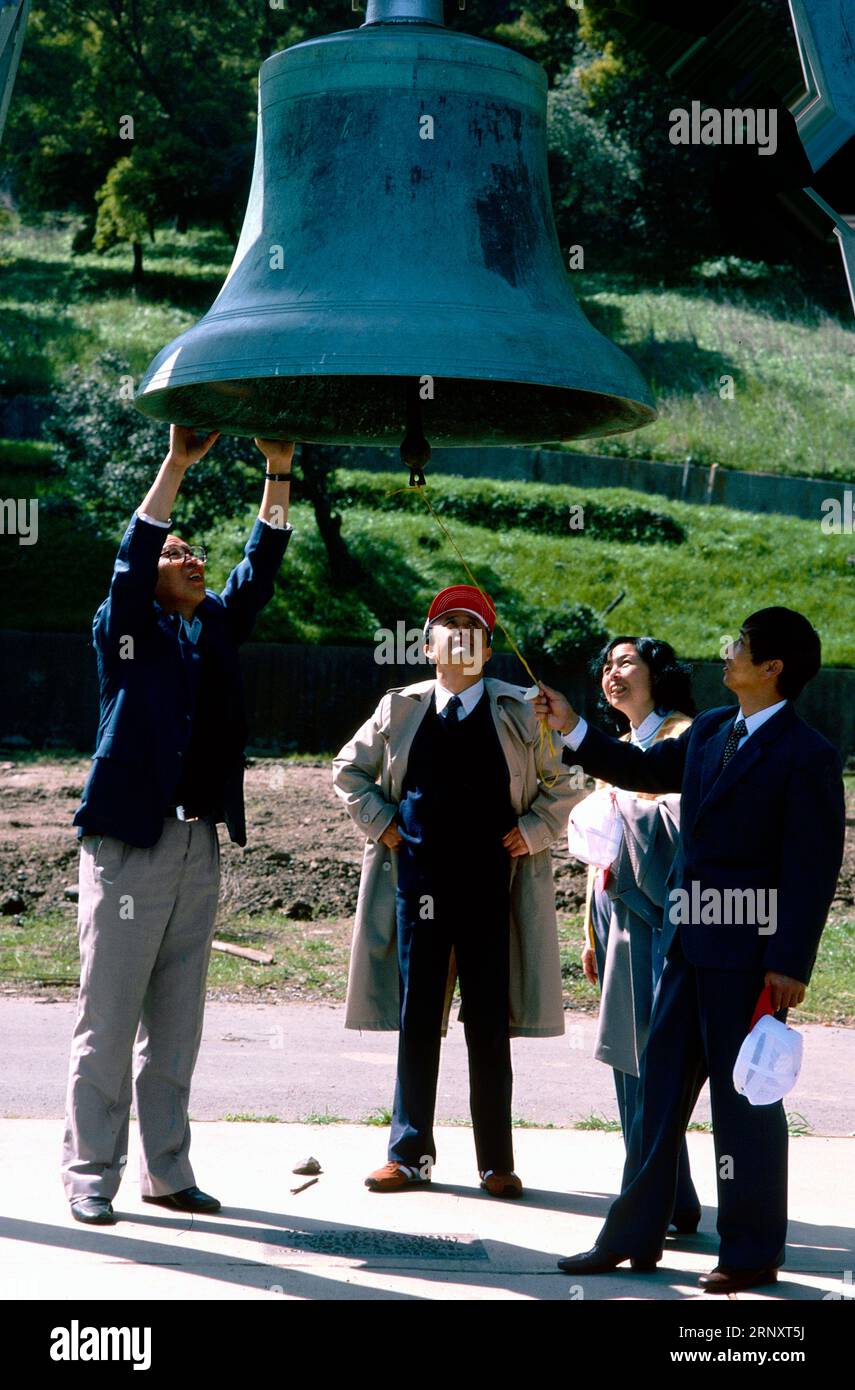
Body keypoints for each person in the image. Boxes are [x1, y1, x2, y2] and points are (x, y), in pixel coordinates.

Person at [535, 607, 845, 1293]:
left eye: (739, 646)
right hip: (688, 948)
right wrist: (573, 728)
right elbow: (638, 770)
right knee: (657, 1096)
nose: (725, 651)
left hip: (750, 960)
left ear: (772, 670)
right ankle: (633, 1236)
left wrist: (788, 964)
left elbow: (811, 868)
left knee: (744, 1106)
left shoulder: (807, 756)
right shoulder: (708, 731)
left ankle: (749, 1253)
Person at [63, 424, 294, 1225]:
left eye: (195, 552)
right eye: (177, 554)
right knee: (108, 1017)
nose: (190, 559)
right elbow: (133, 559)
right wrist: (176, 464)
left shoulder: (214, 631)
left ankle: (168, 1173)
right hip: (130, 844)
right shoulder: (124, 632)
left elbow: (258, 568)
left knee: (176, 1024)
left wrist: (278, 469)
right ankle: (92, 1176)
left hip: (198, 843)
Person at [332, 584, 577, 1198]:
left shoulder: (521, 711)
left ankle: (495, 1161)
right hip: (416, 888)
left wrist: (535, 827)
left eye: (475, 626)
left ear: (490, 649)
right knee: (417, 1018)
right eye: (450, 624)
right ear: (427, 644)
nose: (462, 633)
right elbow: (348, 769)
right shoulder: (401, 709)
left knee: (488, 1023)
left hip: (494, 887)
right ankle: (409, 1152)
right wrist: (381, 821)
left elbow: (569, 778)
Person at [575, 636, 700, 1234]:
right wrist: (590, 932)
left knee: (654, 1052)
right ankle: (669, 1192)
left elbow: (675, 830)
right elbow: (600, 851)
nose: (612, 673)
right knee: (626, 1049)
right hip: (613, 913)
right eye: (607, 665)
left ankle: (650, 1190)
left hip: (660, 913)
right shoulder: (622, 748)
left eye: (626, 662)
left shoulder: (682, 737)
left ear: (659, 673)